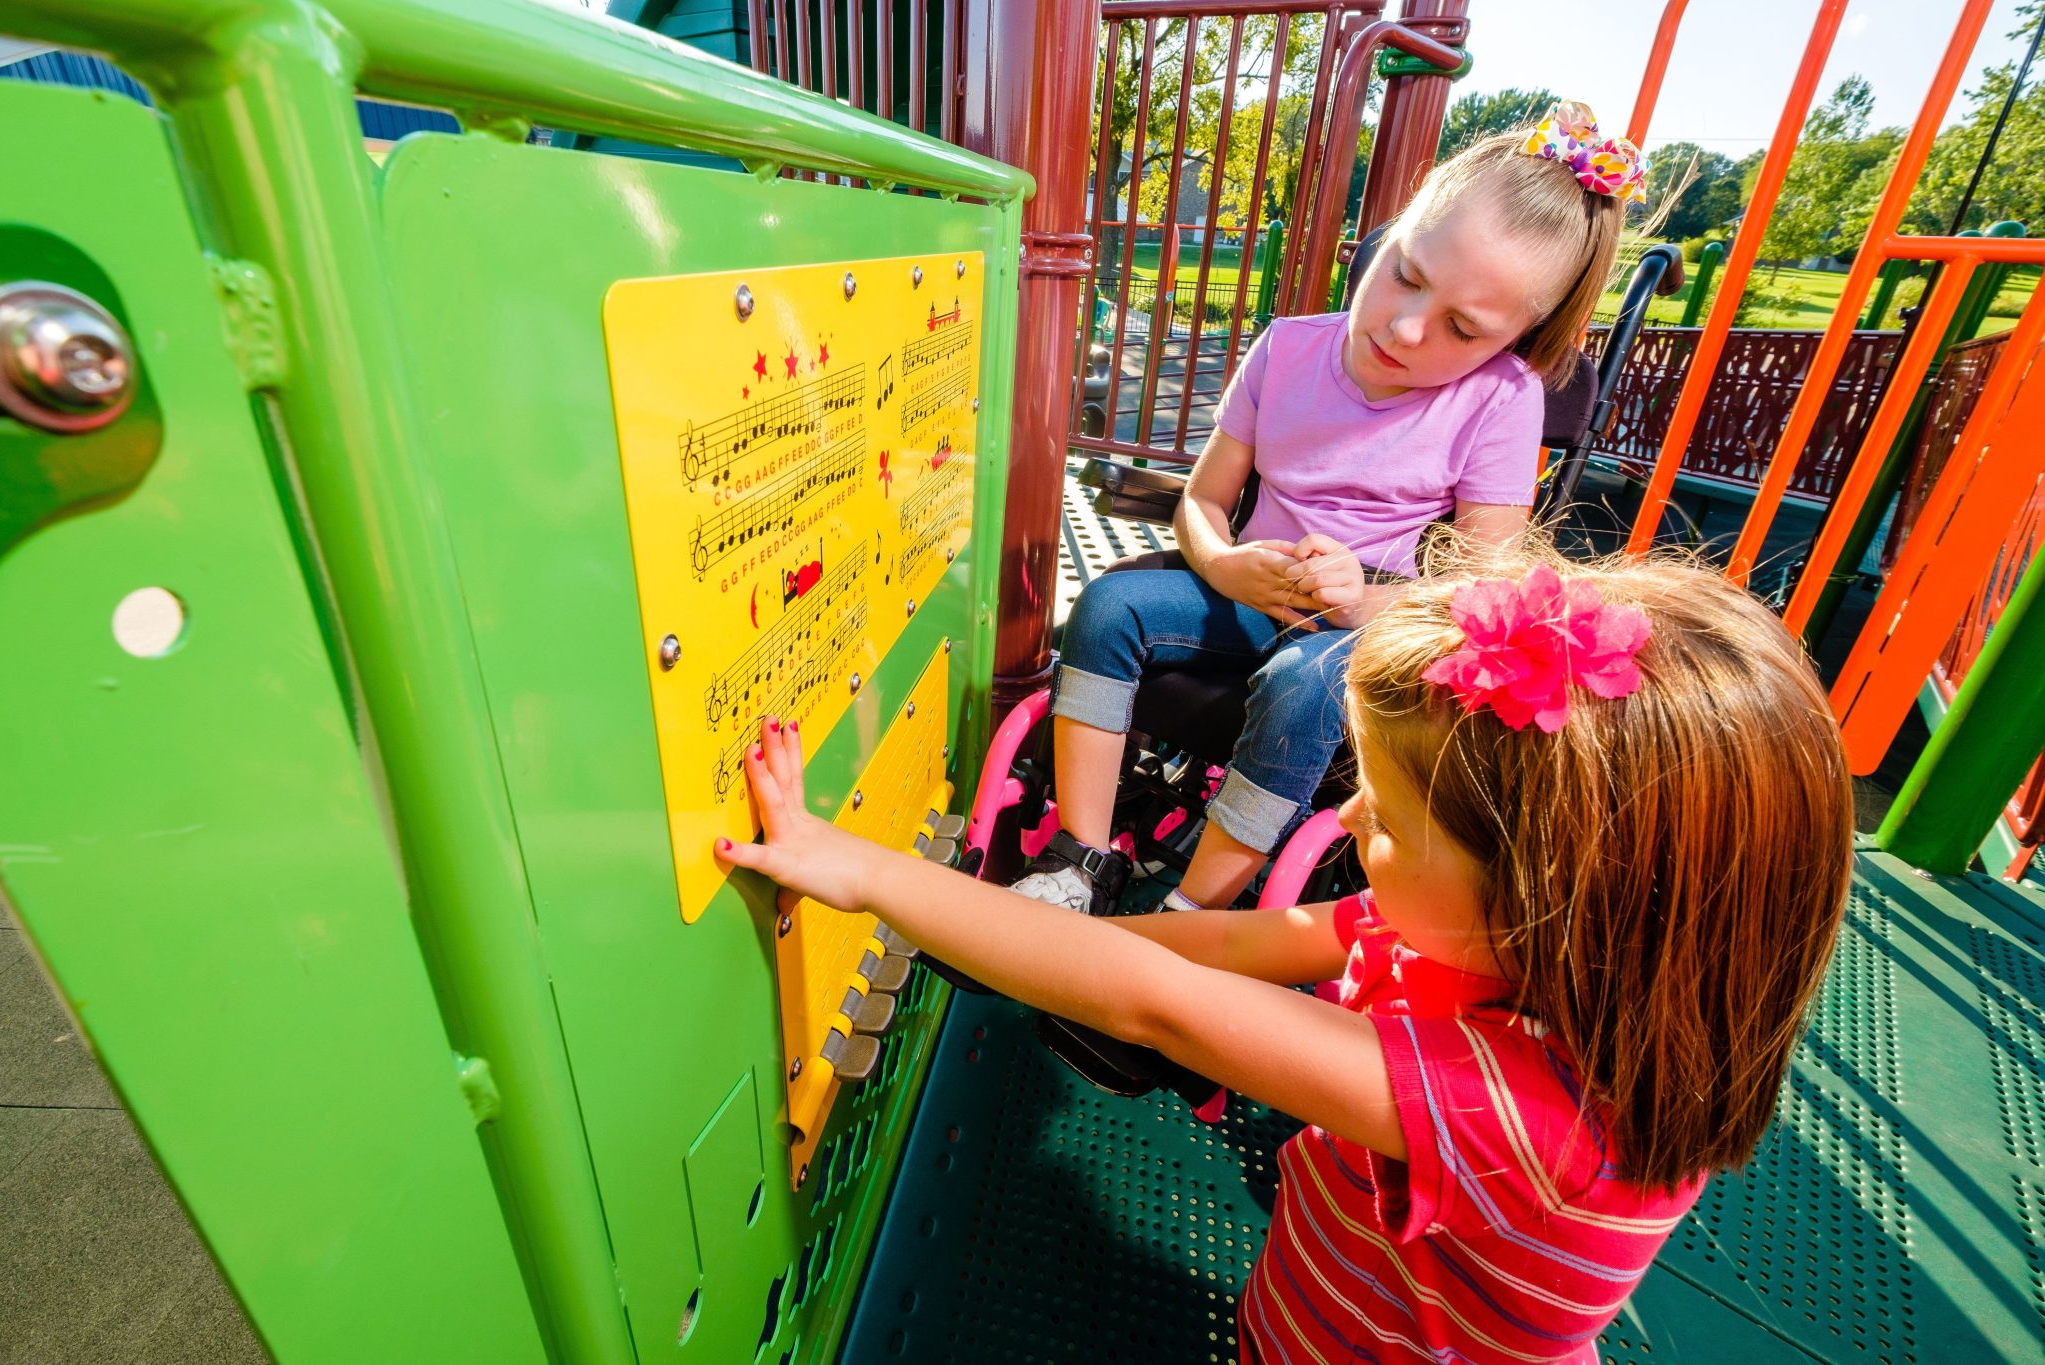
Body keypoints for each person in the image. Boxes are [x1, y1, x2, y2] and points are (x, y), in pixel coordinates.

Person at [714, 543, 1856, 1364]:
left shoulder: (1514, 1113)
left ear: (1552, 902)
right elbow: (1201, 944)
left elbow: (1155, 1003)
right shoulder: (1475, 945)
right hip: (1323, 1312)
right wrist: (1050, 933)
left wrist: (859, 870)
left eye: (1387, 820)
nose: (1349, 825)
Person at [1017, 101, 1644, 919]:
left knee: (1304, 685)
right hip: (1253, 582)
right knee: (1106, 605)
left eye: (1461, 326)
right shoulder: (1288, 346)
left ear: (1514, 339)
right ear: (1388, 240)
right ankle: (1082, 860)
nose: (1407, 327)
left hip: (1376, 612)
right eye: (1406, 274)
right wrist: (1223, 564)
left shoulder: (1503, 400)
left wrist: (1363, 601)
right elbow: (1205, 501)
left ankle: (1194, 912)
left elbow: (1482, 592)